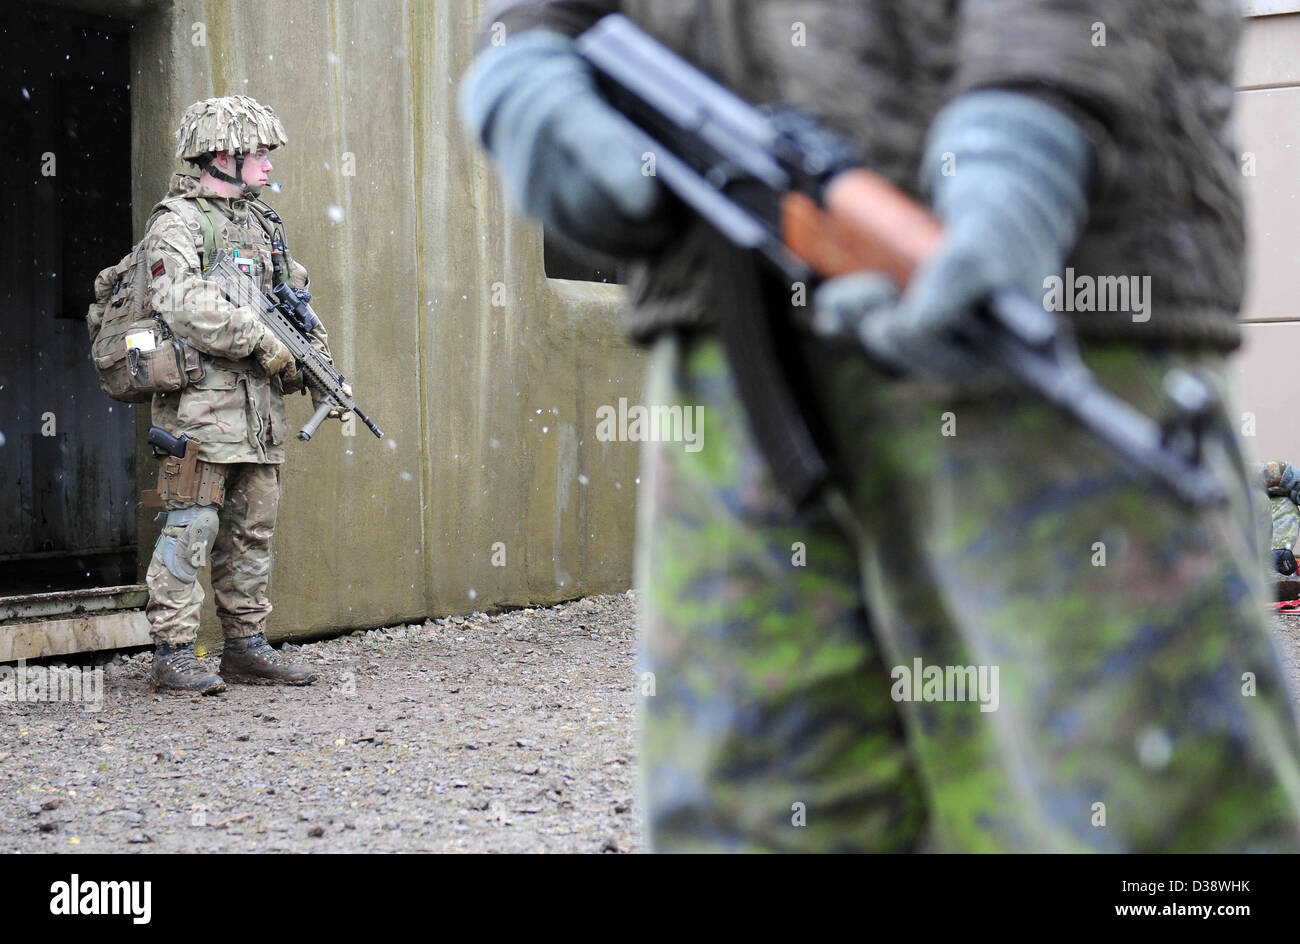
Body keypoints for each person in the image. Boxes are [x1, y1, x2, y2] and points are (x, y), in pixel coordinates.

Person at [461, 2, 1300, 851]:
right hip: (724, 319)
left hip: (1043, 288)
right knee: (750, 815)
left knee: (1147, 818)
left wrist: (1031, 125)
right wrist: (524, 49)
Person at [143, 95, 340, 694]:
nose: (269, 166)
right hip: (200, 410)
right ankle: (173, 651)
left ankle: (245, 647)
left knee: (252, 531)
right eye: (260, 154)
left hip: (260, 415)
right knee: (192, 525)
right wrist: (258, 340)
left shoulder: (262, 224)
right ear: (222, 154)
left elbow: (294, 304)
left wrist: (316, 359)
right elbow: (179, 302)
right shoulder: (177, 221)